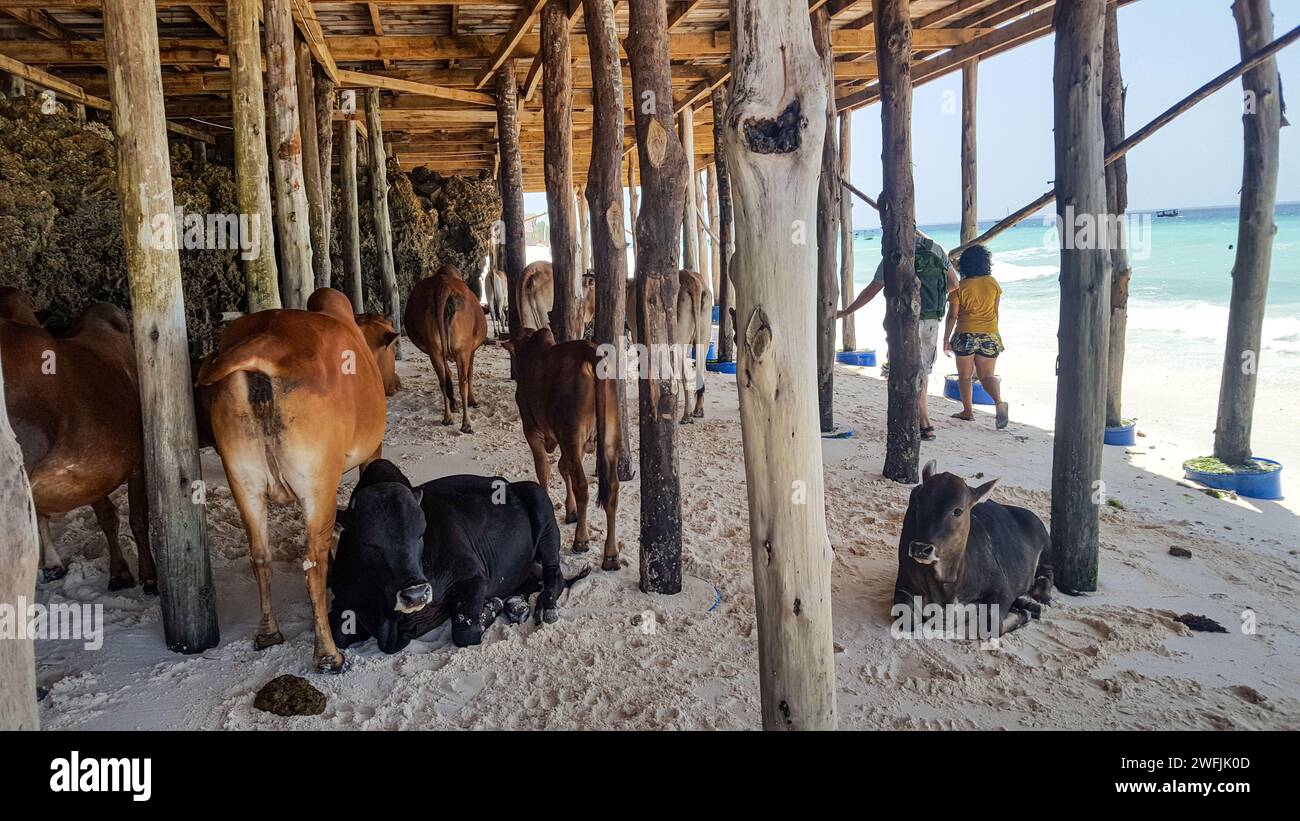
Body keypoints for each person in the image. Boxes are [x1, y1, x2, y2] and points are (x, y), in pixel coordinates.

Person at [838, 231, 958, 441]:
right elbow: (954, 284)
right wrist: (932, 297)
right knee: (923, 371)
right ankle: (922, 419)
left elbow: (871, 291)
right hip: (931, 320)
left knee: (904, 370)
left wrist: (846, 311)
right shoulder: (936, 250)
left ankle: (922, 421)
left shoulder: (893, 255)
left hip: (904, 320)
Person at [944, 244, 1009, 429]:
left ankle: (967, 411)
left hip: (965, 333)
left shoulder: (960, 286)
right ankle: (999, 403)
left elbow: (953, 315)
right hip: (990, 333)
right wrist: (990, 330)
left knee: (965, 376)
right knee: (986, 375)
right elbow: (996, 312)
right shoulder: (992, 283)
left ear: (964, 265)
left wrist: (946, 340)